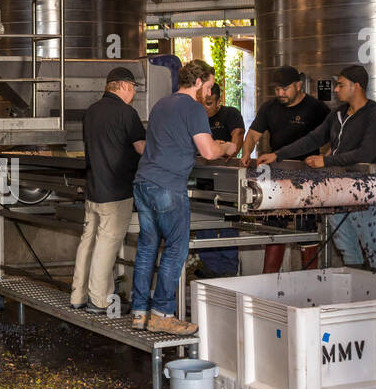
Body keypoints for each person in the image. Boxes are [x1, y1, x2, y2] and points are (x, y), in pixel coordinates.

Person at [131, 59, 237, 334]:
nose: (210, 94)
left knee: (147, 248)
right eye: (210, 86)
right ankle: (162, 314)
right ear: (199, 82)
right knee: (176, 249)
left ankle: (140, 312)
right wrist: (227, 146)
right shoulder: (193, 108)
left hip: (143, 182)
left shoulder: (161, 104)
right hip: (168, 186)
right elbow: (209, 152)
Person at [256, 64, 376, 271]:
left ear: (357, 86)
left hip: (362, 191)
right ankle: (353, 294)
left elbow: (366, 154)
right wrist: (277, 154)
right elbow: (313, 139)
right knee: (347, 247)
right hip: (336, 190)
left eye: (340, 85)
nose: (335, 90)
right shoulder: (338, 114)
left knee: (373, 248)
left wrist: (326, 162)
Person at [70, 66, 146, 314]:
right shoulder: (127, 113)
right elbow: (143, 149)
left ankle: (78, 296)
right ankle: (99, 300)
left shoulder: (91, 112)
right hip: (117, 191)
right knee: (107, 244)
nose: (133, 93)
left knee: (88, 242)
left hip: (94, 189)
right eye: (133, 88)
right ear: (124, 85)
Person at [239, 66, 330, 273]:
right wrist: (246, 153)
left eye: (285, 88)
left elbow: (334, 136)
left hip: (307, 178)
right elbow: (252, 135)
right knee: (274, 228)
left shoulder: (317, 108)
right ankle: (268, 279)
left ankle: (311, 281)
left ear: (299, 85)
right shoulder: (269, 107)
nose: (280, 93)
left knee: (306, 229)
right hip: (276, 177)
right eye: (277, 89)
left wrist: (325, 160)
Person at [194, 81, 245, 278]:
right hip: (201, 177)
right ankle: (210, 268)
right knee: (202, 222)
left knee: (228, 223)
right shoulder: (196, 116)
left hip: (226, 179)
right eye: (202, 102)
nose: (205, 107)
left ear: (218, 101)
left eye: (209, 103)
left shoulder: (230, 114)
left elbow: (237, 136)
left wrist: (230, 149)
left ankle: (229, 270)